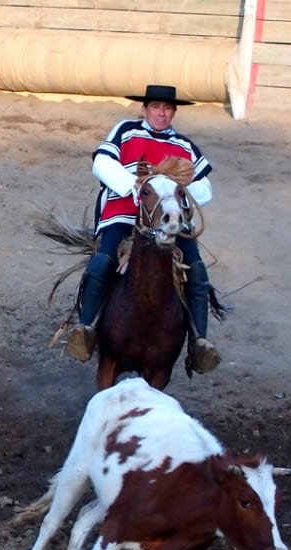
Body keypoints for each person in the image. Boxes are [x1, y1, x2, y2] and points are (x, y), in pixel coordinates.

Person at [66, 84, 221, 375]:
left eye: (167, 108)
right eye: (155, 107)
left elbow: (206, 187)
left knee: (197, 272)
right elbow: (102, 162)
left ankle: (199, 342)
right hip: (123, 215)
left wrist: (175, 192)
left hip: (171, 220)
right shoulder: (125, 131)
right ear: (144, 109)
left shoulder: (185, 146)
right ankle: (86, 329)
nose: (161, 113)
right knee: (102, 263)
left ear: (173, 112)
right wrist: (135, 188)